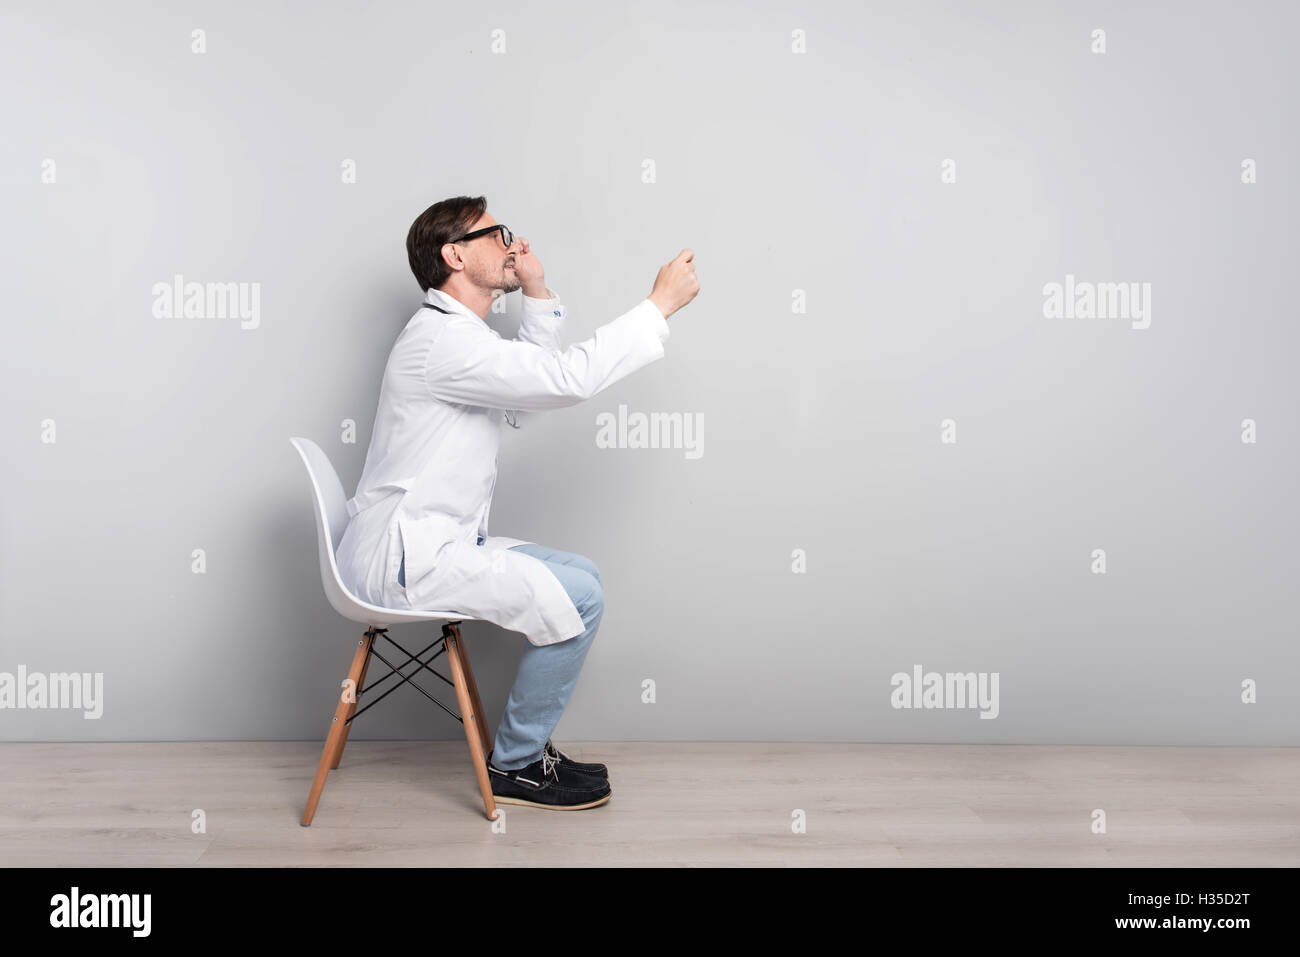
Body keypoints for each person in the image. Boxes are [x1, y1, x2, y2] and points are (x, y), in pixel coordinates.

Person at [335, 195, 699, 810]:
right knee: (580, 598)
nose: (510, 242)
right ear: (454, 254)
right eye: (493, 232)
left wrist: (536, 287)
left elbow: (527, 389)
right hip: (402, 561)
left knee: (581, 578)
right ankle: (519, 764)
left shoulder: (458, 337)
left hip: (428, 543)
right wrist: (657, 307)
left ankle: (524, 754)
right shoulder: (443, 342)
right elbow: (563, 381)